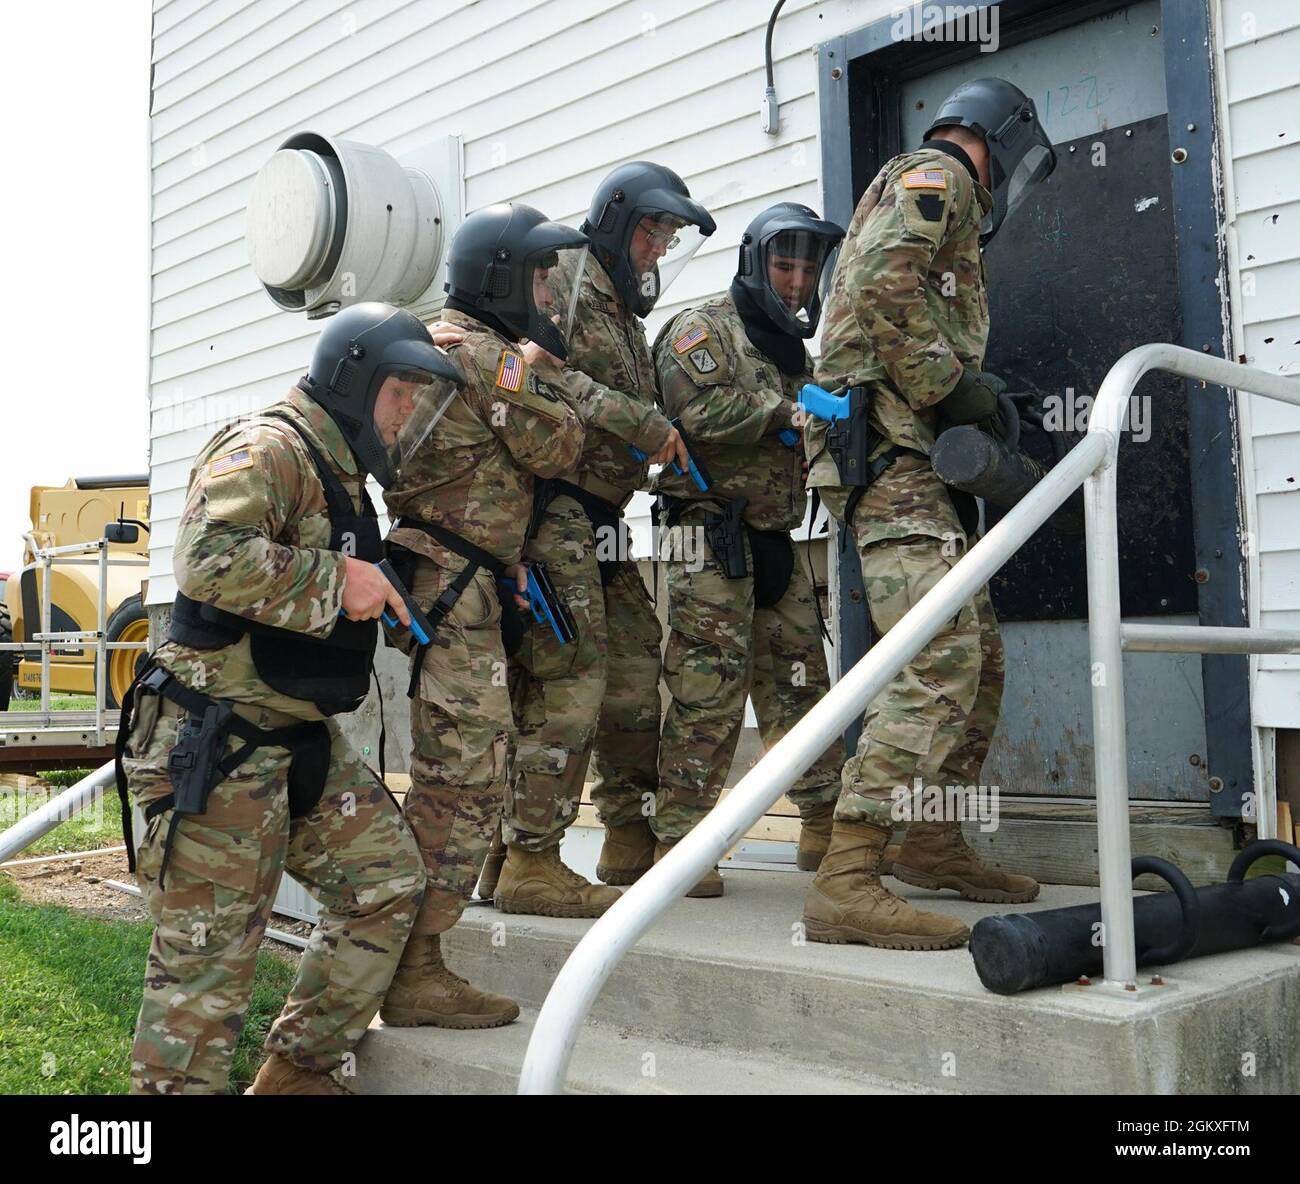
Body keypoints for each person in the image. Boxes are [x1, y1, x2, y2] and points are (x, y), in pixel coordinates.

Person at [117, 302, 461, 1093]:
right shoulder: (267, 448)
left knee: (385, 883)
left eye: (417, 394)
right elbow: (205, 558)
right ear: (354, 380)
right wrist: (338, 582)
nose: (409, 411)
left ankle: (299, 1070)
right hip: (213, 746)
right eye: (400, 390)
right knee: (205, 979)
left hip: (296, 740)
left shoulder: (339, 468)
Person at [802, 78, 1055, 950]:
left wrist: (966, 396)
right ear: (1002, 135)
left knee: (977, 658)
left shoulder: (929, 189)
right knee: (937, 654)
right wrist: (953, 388)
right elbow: (879, 280)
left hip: (911, 453)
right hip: (891, 455)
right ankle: (847, 875)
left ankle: (931, 839)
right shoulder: (935, 177)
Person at [489, 162, 716, 911]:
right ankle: (527, 860)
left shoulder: (622, 306)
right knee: (569, 682)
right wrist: (641, 423)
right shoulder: (567, 281)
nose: (659, 249)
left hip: (603, 522)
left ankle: (627, 835)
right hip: (555, 513)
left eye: (670, 237)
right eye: (655, 232)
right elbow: (530, 379)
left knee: (631, 675)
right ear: (621, 221)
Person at [380, 203, 588, 1017]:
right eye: (537, 275)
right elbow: (559, 443)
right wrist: (543, 372)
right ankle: (417, 970)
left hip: (445, 581)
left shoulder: (436, 344)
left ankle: (416, 961)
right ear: (501, 276)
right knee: (461, 776)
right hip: (455, 589)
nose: (545, 291)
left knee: (461, 768)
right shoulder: (483, 353)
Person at [649, 202, 846, 895]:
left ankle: (823, 821)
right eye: (784, 265)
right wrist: (788, 412)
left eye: (806, 269)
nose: (796, 281)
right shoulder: (703, 330)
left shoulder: (794, 351)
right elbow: (697, 414)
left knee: (802, 685)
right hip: (707, 535)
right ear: (756, 264)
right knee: (708, 691)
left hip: (776, 538)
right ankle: (679, 844)